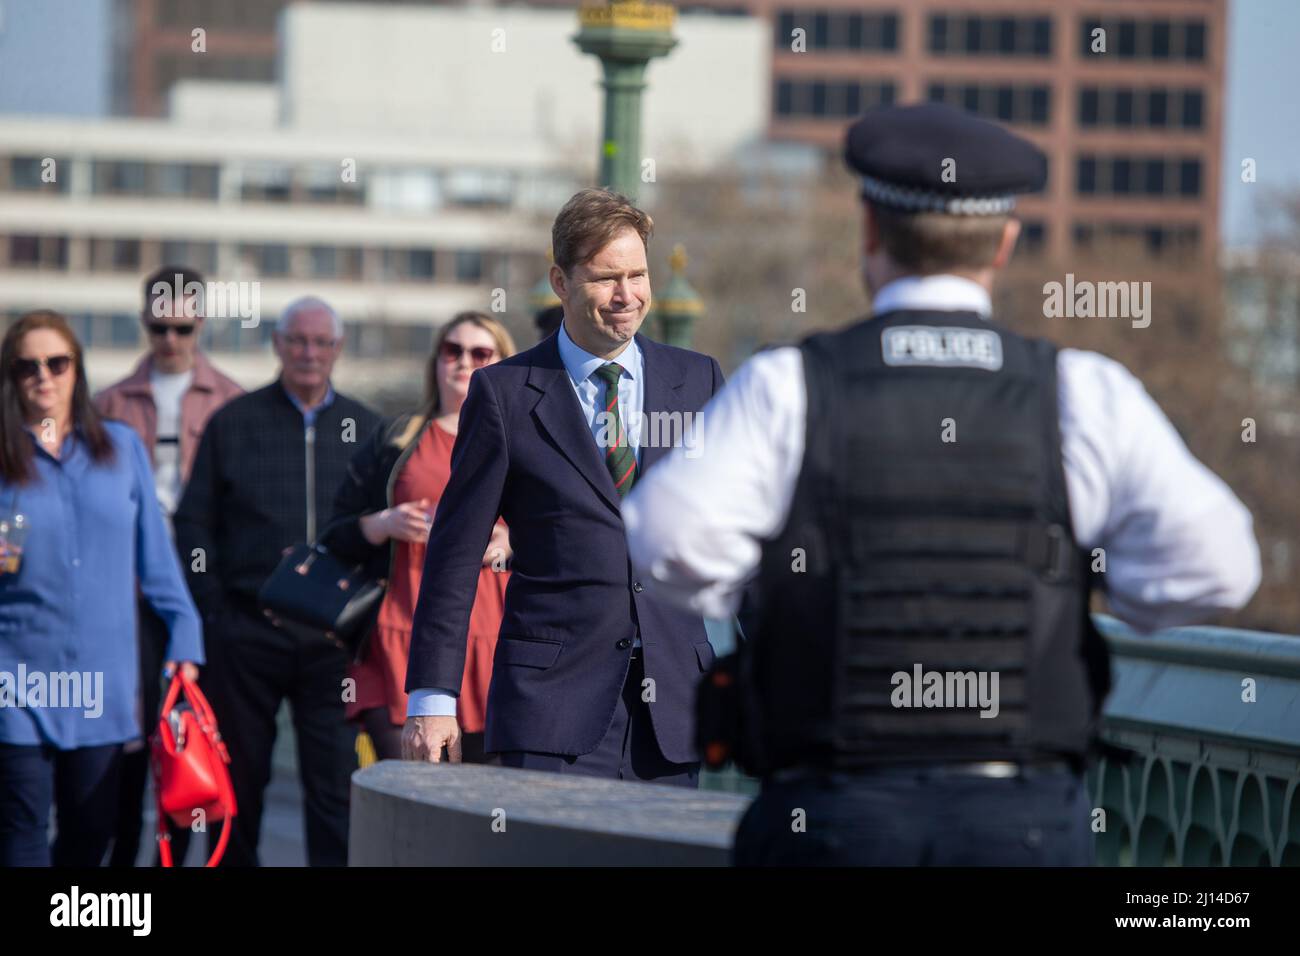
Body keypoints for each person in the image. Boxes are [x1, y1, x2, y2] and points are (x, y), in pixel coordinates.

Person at [623, 103, 1262, 864]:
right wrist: (1086, 582)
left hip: (835, 815)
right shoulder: (1081, 392)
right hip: (1018, 819)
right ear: (1004, 243)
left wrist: (784, 589)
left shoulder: (789, 386)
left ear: (868, 231)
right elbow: (1223, 564)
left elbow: (661, 537)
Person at [402, 188, 724, 787]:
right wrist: (431, 697)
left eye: (638, 275)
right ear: (560, 280)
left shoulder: (698, 380)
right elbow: (453, 552)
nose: (627, 297)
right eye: (606, 279)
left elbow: (739, 532)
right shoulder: (504, 394)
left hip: (674, 714)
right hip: (550, 713)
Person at [173, 296, 380, 866]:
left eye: (321, 342)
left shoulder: (367, 429)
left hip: (336, 645)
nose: (309, 353)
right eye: (297, 340)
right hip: (248, 634)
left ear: (337, 349)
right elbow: (193, 522)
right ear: (277, 346)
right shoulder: (234, 423)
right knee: (238, 786)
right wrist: (212, 606)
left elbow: (389, 525)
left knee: (336, 790)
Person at [0, 310, 203, 867]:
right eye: (27, 367)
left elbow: (158, 565)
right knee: (18, 828)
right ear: (12, 379)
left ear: (76, 371)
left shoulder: (120, 449)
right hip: (15, 678)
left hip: (103, 684)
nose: (44, 376)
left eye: (57, 363)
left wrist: (186, 637)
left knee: (93, 832)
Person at [95, 264, 243, 868]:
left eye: (182, 327)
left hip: (203, 590)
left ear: (200, 322)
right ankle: (124, 855)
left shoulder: (232, 402)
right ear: (144, 324)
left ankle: (179, 857)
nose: (171, 341)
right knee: (129, 734)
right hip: (126, 593)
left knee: (191, 733)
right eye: (159, 328)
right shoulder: (105, 405)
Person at [323, 312, 516, 764]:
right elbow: (336, 533)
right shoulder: (396, 439)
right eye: (452, 351)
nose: (463, 361)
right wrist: (383, 524)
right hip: (400, 633)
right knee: (408, 793)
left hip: (494, 636)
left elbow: (559, 527)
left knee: (483, 802)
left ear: (502, 363)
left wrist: (511, 541)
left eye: (480, 353)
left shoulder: (521, 438)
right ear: (436, 362)